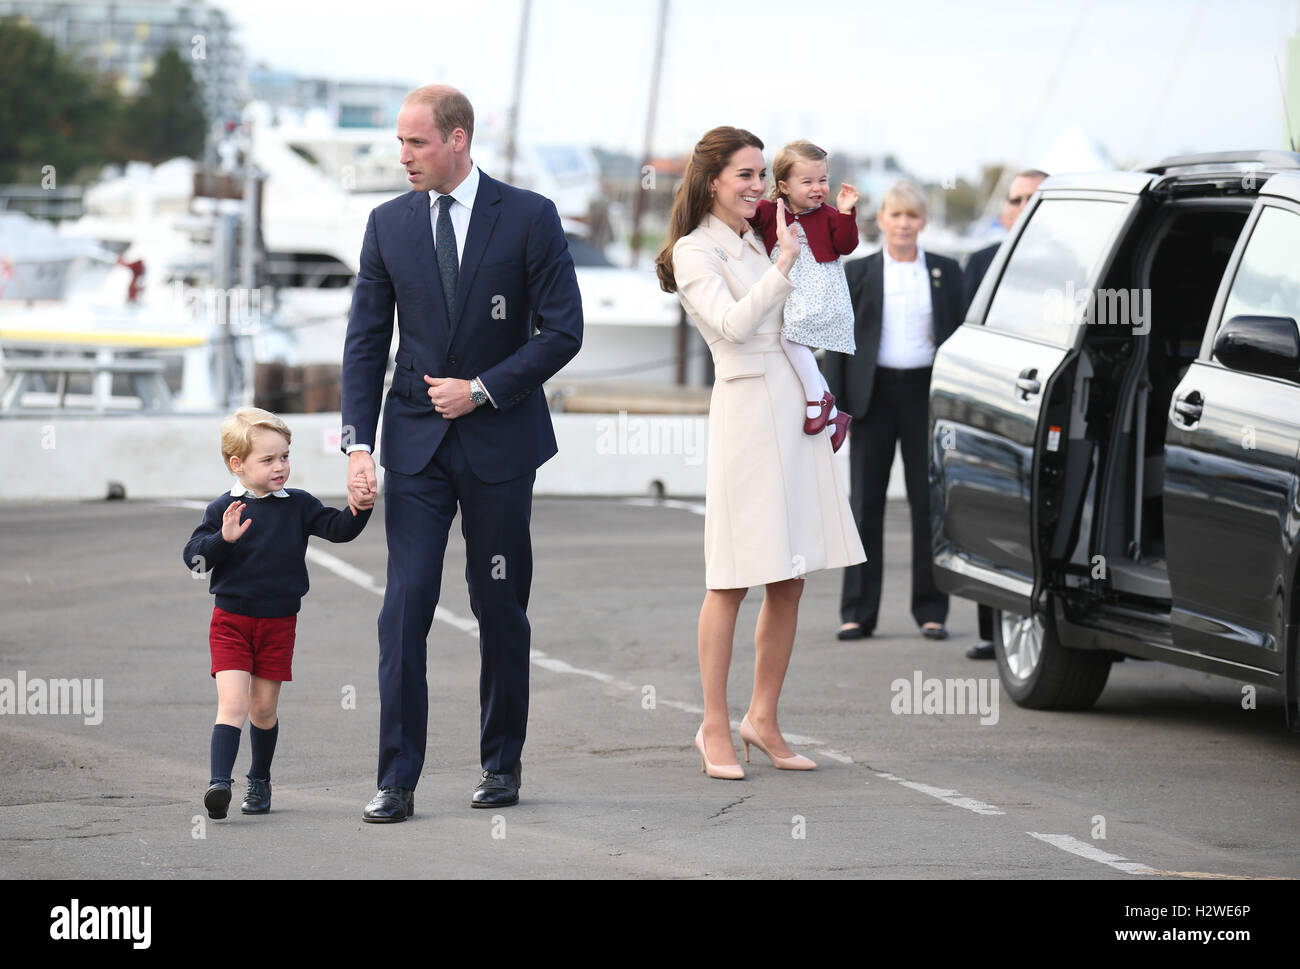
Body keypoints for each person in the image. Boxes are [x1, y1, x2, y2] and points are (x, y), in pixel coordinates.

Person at [342, 85, 582, 821]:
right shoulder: (387, 224)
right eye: (400, 143)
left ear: (458, 139)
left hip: (500, 445)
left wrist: (481, 389)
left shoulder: (531, 217)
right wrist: (358, 443)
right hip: (413, 445)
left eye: (416, 143)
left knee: (499, 602)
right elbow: (364, 341)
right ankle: (397, 779)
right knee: (404, 605)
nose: (404, 156)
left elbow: (562, 331)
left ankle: (501, 762)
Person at [655, 126, 865, 780]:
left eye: (758, 175)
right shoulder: (695, 251)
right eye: (744, 175)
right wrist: (781, 268)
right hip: (747, 415)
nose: (756, 186)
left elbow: (803, 312)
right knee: (731, 577)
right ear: (712, 180)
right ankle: (714, 724)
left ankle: (763, 717)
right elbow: (732, 324)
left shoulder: (763, 233)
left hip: (794, 410)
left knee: (790, 574)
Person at [183, 407, 373, 820]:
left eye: (284, 456)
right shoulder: (224, 509)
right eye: (268, 459)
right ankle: (219, 783)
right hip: (231, 622)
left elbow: (339, 529)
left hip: (278, 624)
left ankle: (259, 779)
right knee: (232, 706)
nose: (280, 466)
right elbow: (194, 558)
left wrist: (360, 506)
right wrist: (223, 539)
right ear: (238, 464)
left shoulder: (298, 505)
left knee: (263, 711)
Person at [824, 181, 963, 643]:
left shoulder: (946, 271)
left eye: (913, 216)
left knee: (930, 504)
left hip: (926, 395)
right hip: (873, 397)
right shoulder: (858, 272)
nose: (904, 224)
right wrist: (836, 407)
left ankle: (931, 609)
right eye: (896, 215)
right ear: (881, 219)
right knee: (866, 504)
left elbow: (958, 339)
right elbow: (839, 343)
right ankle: (858, 612)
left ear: (922, 222)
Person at [961, 169, 1047, 660]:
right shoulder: (978, 264)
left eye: (1037, 199)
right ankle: (990, 630)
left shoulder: (1079, 268)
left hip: (1045, 407)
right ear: (1005, 209)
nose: (1025, 207)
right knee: (987, 510)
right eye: (1018, 199)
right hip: (989, 404)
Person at [748, 140, 858, 449]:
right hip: (785, 285)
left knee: (790, 339)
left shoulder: (830, 216)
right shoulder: (771, 210)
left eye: (822, 180)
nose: (817, 188)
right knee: (787, 341)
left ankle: (818, 400)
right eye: (807, 181)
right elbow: (745, 219)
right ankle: (834, 416)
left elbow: (847, 245)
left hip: (817, 290)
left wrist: (847, 213)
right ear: (783, 185)